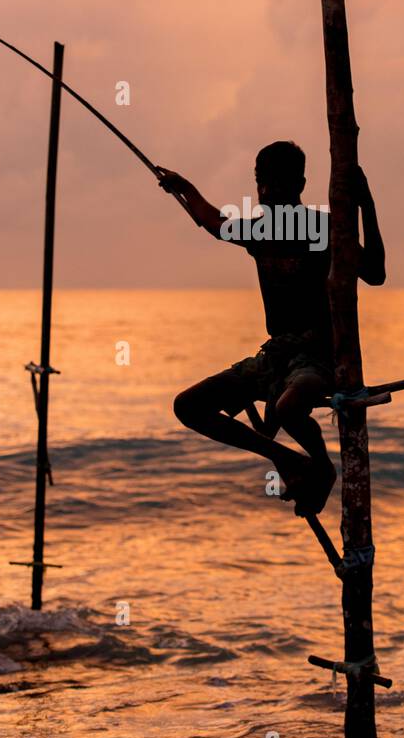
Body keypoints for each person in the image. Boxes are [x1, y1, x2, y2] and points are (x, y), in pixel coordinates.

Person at [158, 140, 386, 515]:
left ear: (299, 184)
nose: (265, 192)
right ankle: (290, 459)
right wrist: (184, 188)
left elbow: (375, 273)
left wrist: (366, 205)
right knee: (188, 406)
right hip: (275, 356)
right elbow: (212, 222)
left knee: (290, 406)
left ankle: (322, 467)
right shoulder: (261, 231)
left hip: (320, 358)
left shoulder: (323, 228)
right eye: (260, 182)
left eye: (276, 183)